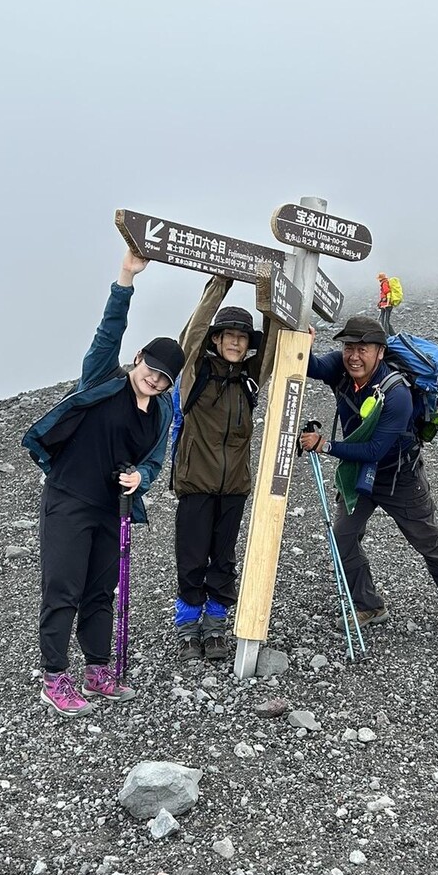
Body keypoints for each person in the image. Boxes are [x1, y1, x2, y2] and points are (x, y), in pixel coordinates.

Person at [22, 250, 185, 714]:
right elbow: (106, 332)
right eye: (151, 369)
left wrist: (141, 478)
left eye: (164, 379)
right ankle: (55, 678)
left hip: (111, 510)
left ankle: (97, 671)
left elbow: (154, 460)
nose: (155, 380)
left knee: (99, 591)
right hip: (69, 499)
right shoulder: (101, 380)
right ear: (138, 359)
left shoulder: (161, 410)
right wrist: (126, 279)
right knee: (63, 589)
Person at [298, 314, 438, 634]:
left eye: (364, 349)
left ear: (380, 351)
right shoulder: (340, 366)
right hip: (357, 474)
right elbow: (311, 368)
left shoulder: (397, 393)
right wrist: (304, 346)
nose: (354, 355)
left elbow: (376, 450)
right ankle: (368, 606)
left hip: (399, 477)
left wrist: (325, 446)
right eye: (350, 346)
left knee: (428, 543)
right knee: (343, 537)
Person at [171, 278, 273, 661]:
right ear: (216, 340)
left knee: (224, 559)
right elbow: (192, 333)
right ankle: (187, 628)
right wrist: (222, 281)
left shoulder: (249, 378)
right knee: (192, 559)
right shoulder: (195, 373)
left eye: (242, 337)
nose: (235, 342)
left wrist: (270, 292)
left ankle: (215, 628)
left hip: (234, 487)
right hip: (196, 484)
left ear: (249, 345)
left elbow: (275, 334)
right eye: (228, 335)